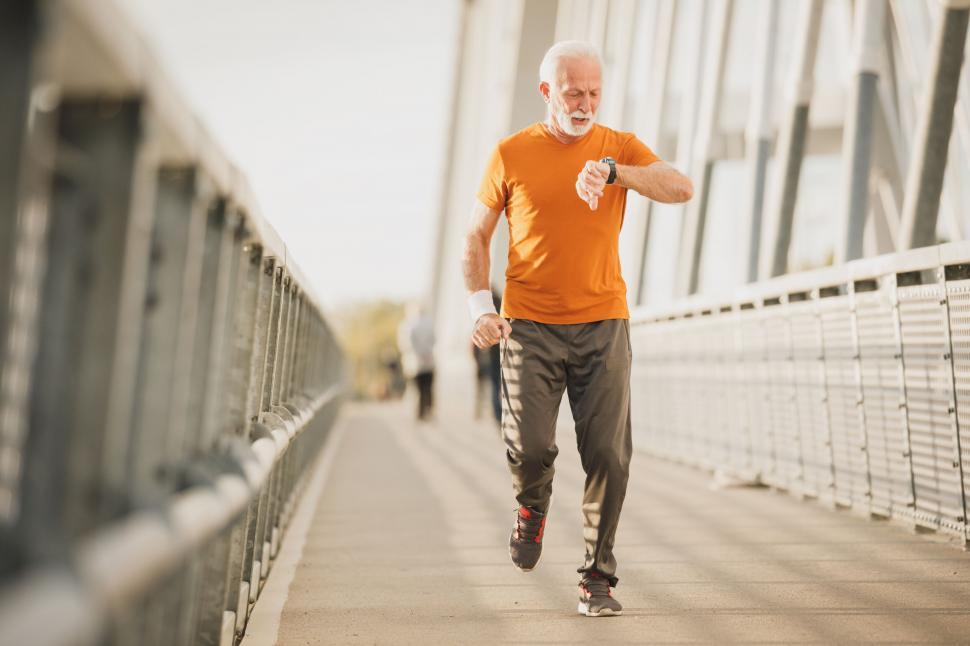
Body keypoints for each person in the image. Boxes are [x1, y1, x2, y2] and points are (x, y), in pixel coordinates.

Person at [461, 40, 693, 617]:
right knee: (531, 448)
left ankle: (597, 577)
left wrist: (619, 174)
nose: (585, 102)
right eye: (573, 92)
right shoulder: (510, 154)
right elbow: (475, 237)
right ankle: (532, 507)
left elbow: (681, 187)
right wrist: (478, 307)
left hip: (604, 325)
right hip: (529, 329)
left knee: (610, 457)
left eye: (593, 92)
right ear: (547, 92)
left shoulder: (617, 147)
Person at [397, 302, 436, 421]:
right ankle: (428, 411)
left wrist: (417, 353)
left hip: (414, 362)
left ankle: (419, 413)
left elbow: (405, 344)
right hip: (429, 360)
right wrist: (427, 352)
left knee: (417, 388)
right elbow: (434, 339)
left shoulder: (406, 325)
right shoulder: (429, 322)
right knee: (428, 388)